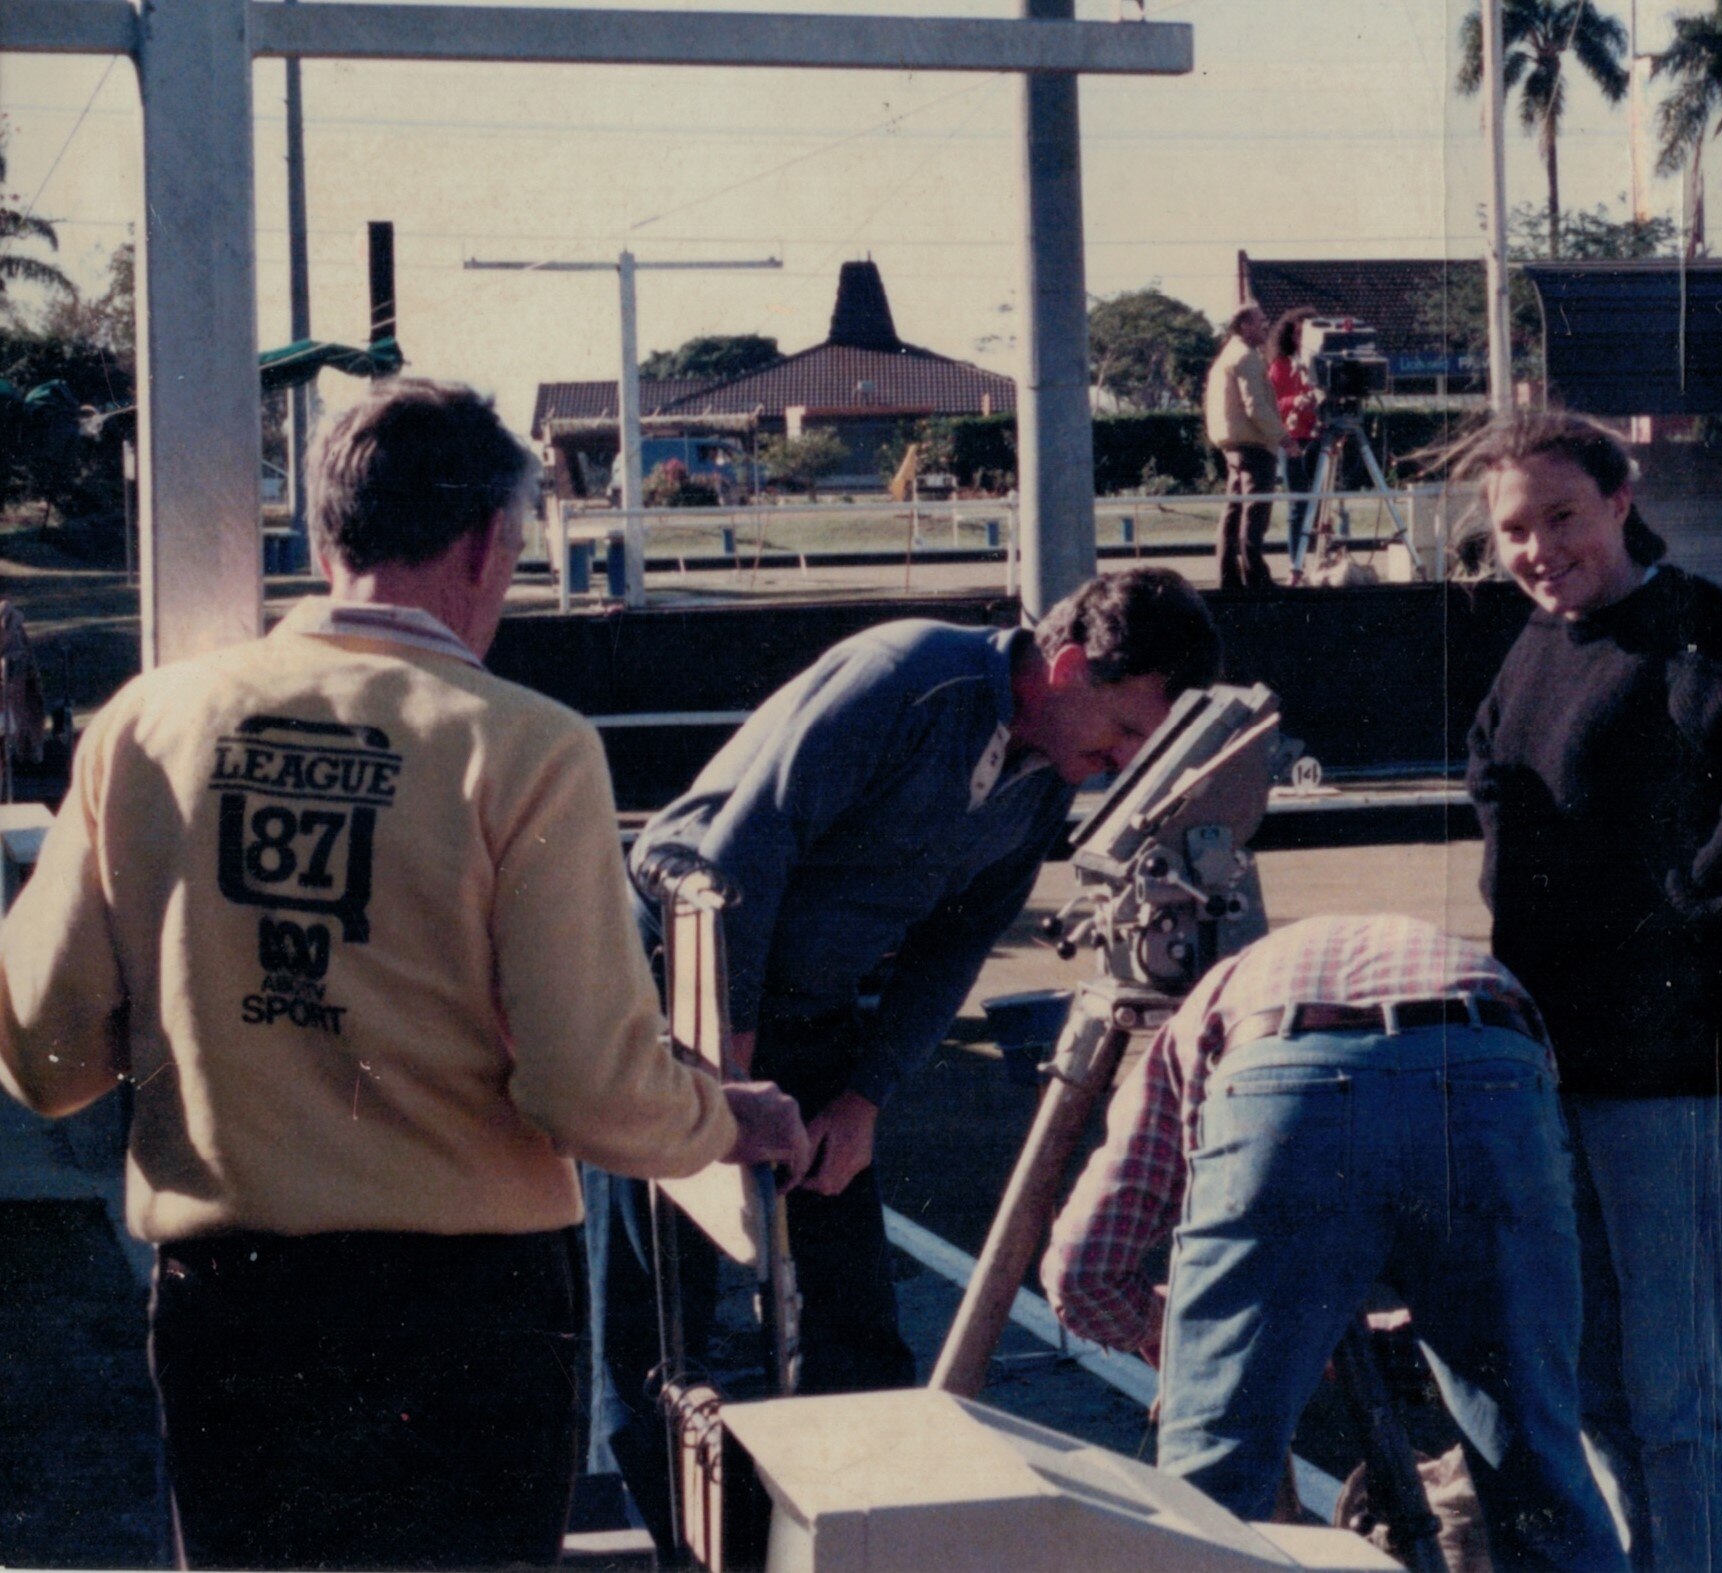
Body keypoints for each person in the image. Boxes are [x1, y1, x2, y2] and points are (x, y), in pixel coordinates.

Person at [0, 378, 811, 1572]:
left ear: (326, 535)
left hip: (230, 1298)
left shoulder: (144, 725)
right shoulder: (527, 747)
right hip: (465, 1318)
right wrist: (713, 1117)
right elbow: (587, 1090)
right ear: (488, 541)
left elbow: (46, 1057)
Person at [591, 567, 1223, 1546]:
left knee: (853, 1321)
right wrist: (725, 1085)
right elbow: (735, 862)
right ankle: (687, 1552)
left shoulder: (1041, 778)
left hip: (800, 1008)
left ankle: (843, 1548)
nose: (1118, 761)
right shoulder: (905, 678)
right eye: (1125, 731)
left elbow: (953, 946)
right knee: (663, 1316)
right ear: (1061, 667)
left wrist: (863, 1098)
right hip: (672, 978)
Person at [1457, 411, 1722, 1573]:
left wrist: (1672, 939)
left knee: (1674, 1392)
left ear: (1619, 499)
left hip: (1664, 1073)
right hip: (1545, 1067)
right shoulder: (1528, 650)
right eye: (1513, 530)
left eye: (1560, 517)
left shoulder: (1693, 633)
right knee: (1588, 1381)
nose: (1537, 549)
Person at [1042, 914, 1628, 1570]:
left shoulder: (1200, 1016)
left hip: (1282, 1076)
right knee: (1542, 1479)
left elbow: (1081, 1270)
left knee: (1211, 1494)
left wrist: (1173, 1326)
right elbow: (1503, 1244)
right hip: (1490, 1056)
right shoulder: (1451, 963)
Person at [1204, 302, 1289, 591]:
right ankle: (1257, 578)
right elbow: (1257, 407)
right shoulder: (1246, 357)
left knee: (1234, 511)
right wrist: (1283, 437)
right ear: (1245, 326)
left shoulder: (1228, 355)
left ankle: (1228, 577)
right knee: (1255, 511)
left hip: (1232, 443)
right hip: (1252, 444)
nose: (1267, 325)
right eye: (1261, 320)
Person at [1266, 307, 1321, 586]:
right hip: (1293, 440)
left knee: (1321, 504)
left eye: (1305, 333)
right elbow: (1272, 403)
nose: (1301, 339)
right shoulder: (1280, 364)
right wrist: (1294, 402)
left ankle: (1321, 561)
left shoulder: (1319, 362)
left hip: (1318, 437)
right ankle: (1295, 566)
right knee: (1298, 504)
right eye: (1297, 333)